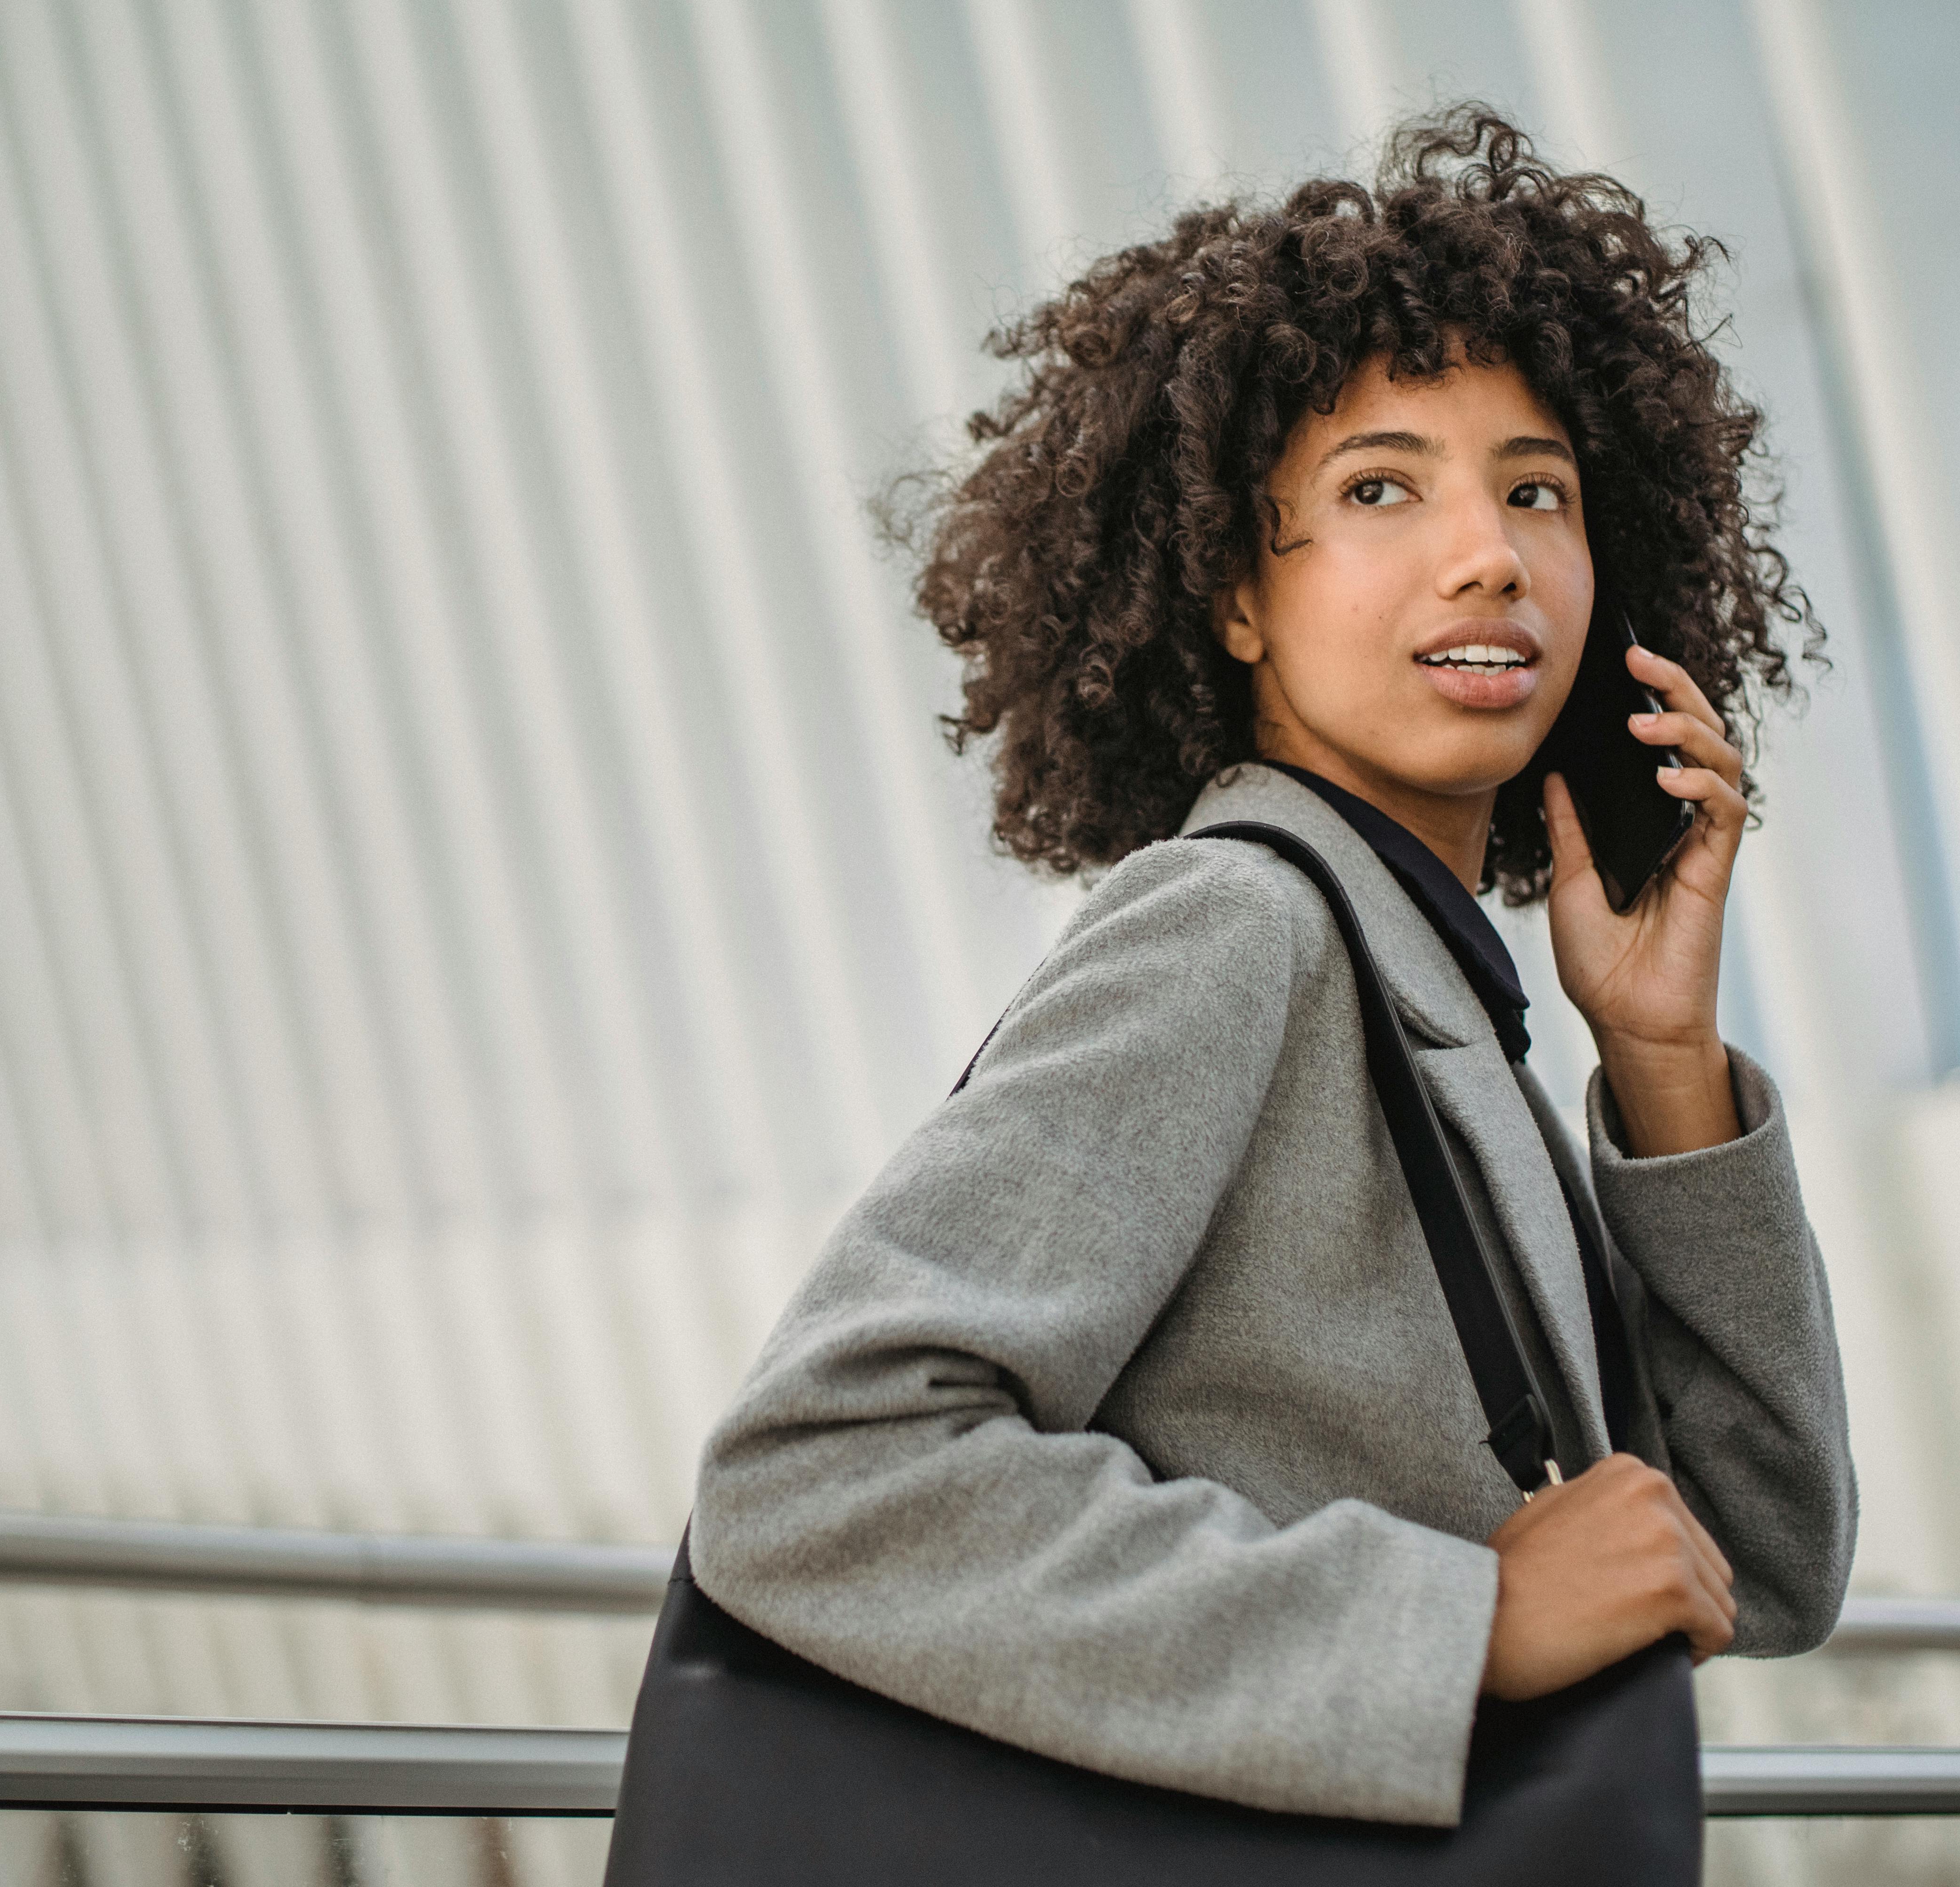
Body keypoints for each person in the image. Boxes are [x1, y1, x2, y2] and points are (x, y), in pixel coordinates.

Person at [687, 107, 1855, 1828]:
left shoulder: (1438, 998)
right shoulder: (1239, 925)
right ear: (1233, 593)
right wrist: (1453, 1624)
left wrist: (1663, 1057)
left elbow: (1756, 1555)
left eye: (1539, 490)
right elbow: (819, 1472)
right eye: (1381, 487)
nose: (1491, 553)